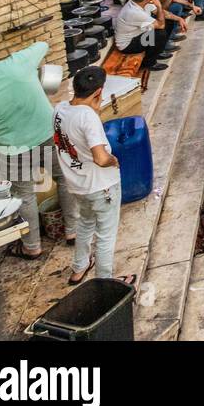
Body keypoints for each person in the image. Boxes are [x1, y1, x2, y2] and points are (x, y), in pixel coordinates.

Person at [0, 42, 77, 259]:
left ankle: (32, 246)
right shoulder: (19, 62)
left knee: (23, 195)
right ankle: (73, 231)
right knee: (65, 179)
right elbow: (43, 44)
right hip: (47, 133)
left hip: (12, 148)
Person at [51, 66, 132, 285]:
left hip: (78, 185)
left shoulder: (59, 109)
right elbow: (100, 158)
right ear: (99, 91)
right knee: (106, 235)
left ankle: (79, 268)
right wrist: (114, 161)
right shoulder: (88, 118)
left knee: (85, 224)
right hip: (102, 185)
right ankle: (104, 283)